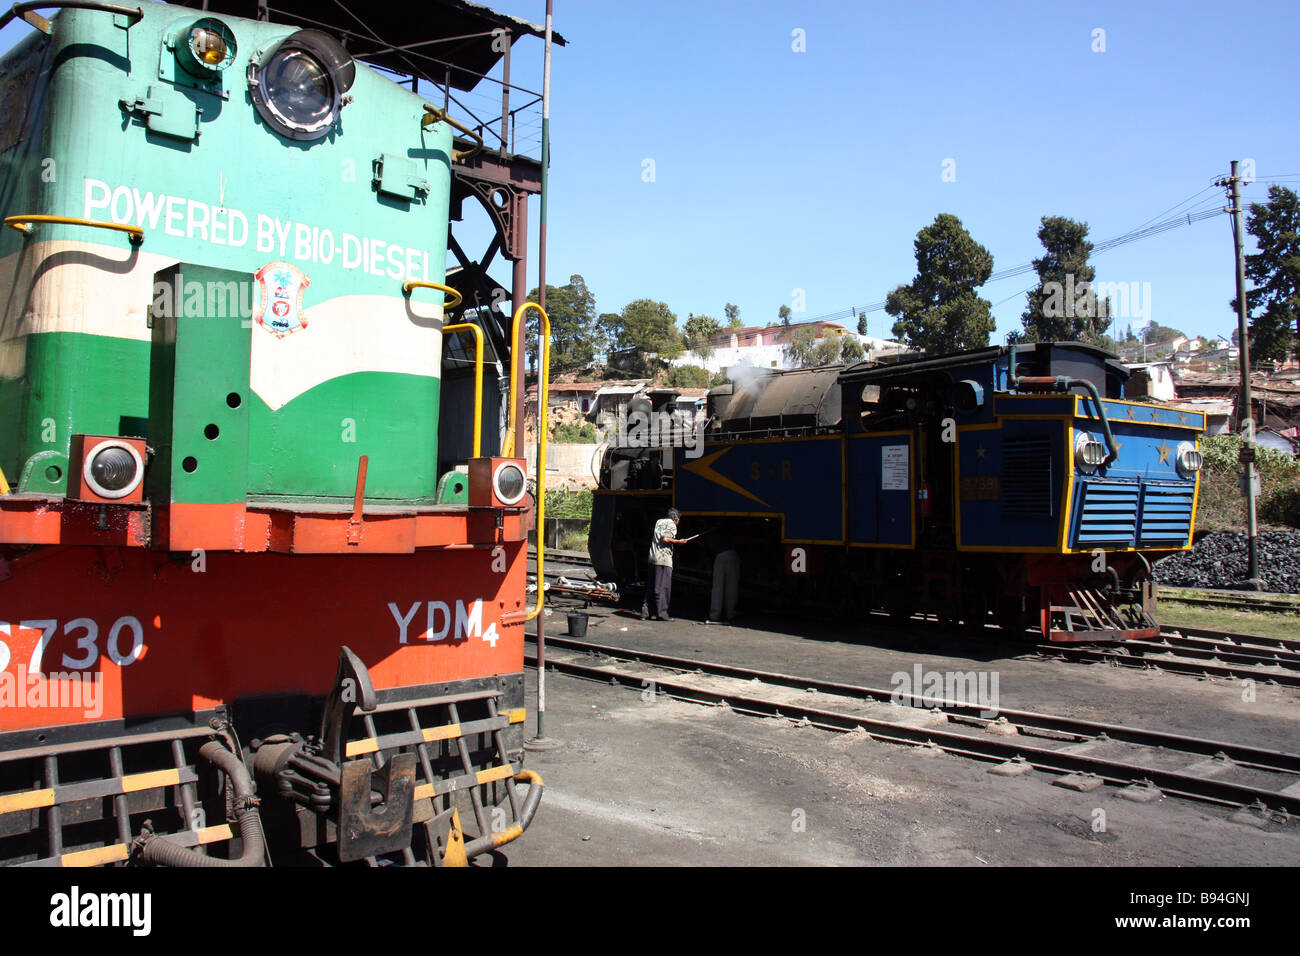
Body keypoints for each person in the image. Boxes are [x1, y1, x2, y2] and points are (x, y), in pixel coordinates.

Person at [640, 508, 692, 622]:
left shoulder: (659, 522)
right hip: (663, 559)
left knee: (651, 586)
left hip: (652, 557)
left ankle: (645, 613)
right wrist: (679, 541)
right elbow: (665, 539)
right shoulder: (672, 524)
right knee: (663, 587)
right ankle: (662, 613)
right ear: (676, 519)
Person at [702, 528, 740, 624]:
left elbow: (707, 554)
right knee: (731, 586)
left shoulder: (708, 533)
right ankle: (730, 613)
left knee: (717, 587)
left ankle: (715, 614)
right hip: (732, 553)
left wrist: (709, 569)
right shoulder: (726, 531)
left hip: (719, 555)